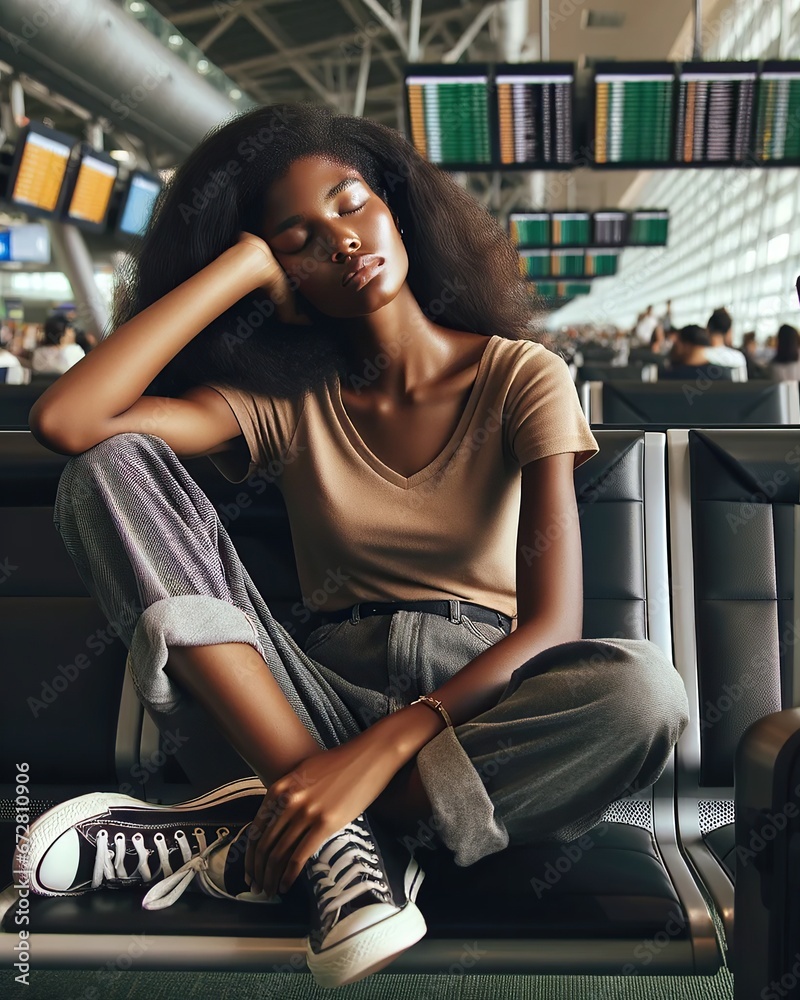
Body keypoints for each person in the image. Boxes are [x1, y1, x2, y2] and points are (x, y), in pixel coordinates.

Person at [20, 104, 689, 989]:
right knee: (107, 469)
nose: (338, 239)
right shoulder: (289, 401)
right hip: (300, 705)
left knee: (644, 693)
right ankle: (334, 836)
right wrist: (240, 267)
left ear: (398, 209)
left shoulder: (522, 375)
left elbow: (553, 625)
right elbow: (70, 423)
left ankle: (273, 829)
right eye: (297, 237)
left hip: (478, 715)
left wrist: (369, 759)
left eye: (350, 202)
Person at [661, 324, 733, 380]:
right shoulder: (722, 375)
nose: (674, 347)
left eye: (677, 343)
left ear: (687, 345)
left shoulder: (669, 377)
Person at [704, 307, 748, 380]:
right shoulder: (737, 357)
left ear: (708, 329)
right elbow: (743, 385)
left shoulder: (701, 355)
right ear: (728, 331)